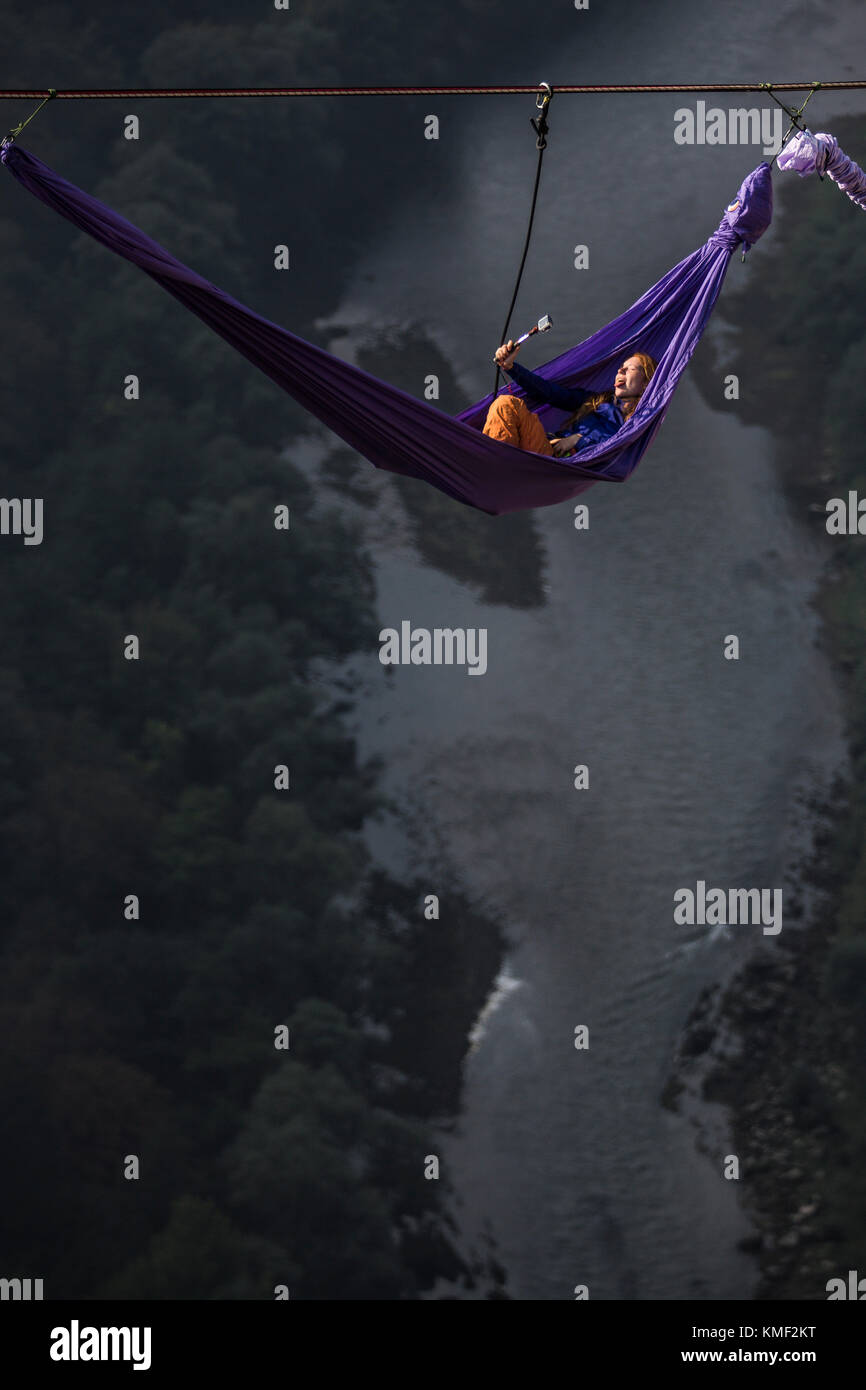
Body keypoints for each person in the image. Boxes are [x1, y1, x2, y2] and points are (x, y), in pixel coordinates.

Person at [484, 340, 657, 459]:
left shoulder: (638, 422)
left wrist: (578, 439)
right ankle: (491, 461)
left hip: (558, 462)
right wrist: (512, 367)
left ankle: (492, 462)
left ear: (645, 384)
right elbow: (549, 393)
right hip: (543, 448)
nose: (621, 372)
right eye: (620, 369)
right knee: (506, 405)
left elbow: (617, 451)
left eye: (630, 369)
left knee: (506, 404)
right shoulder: (595, 401)